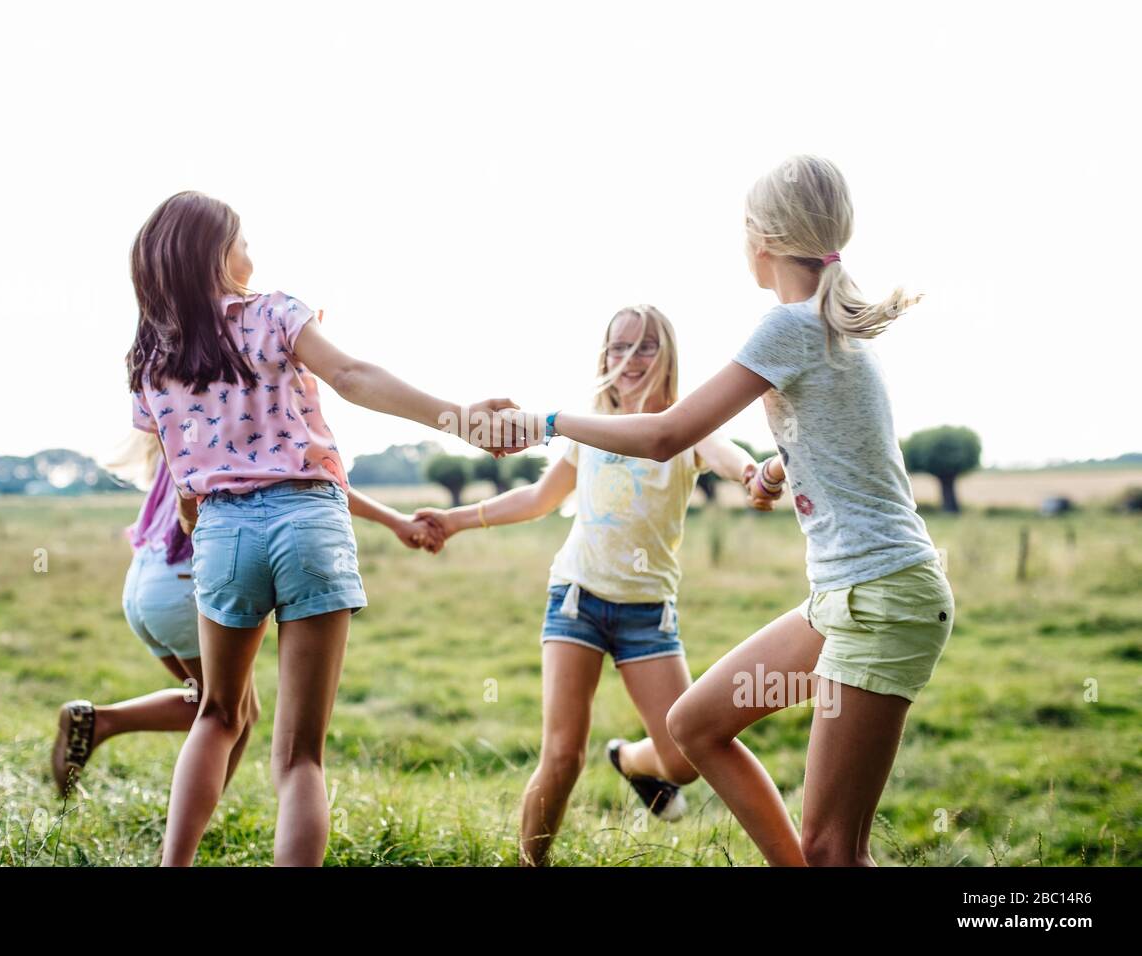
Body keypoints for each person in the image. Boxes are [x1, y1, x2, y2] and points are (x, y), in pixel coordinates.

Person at [505, 156, 954, 866]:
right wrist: (778, 466)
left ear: (761, 240)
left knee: (837, 849)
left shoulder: (789, 326)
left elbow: (664, 435)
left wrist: (552, 418)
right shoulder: (828, 328)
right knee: (695, 723)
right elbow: (845, 441)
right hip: (847, 596)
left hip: (882, 594)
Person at [127, 190, 519, 866]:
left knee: (217, 715)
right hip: (308, 520)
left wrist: (210, 525)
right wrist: (458, 418)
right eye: (242, 238)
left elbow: (179, 474)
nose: (252, 252)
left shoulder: (149, 361)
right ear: (216, 252)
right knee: (299, 757)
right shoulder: (276, 310)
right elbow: (351, 375)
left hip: (219, 536)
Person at [415, 305, 769, 866]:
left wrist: (751, 474)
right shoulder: (589, 429)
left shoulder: (686, 427)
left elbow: (728, 456)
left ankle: (630, 760)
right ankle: (531, 863)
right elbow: (537, 499)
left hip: (648, 615)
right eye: (618, 347)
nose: (629, 359)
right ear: (603, 356)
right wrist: (456, 521)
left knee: (681, 761)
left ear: (668, 355)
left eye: (646, 347)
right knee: (562, 755)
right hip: (576, 600)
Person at [50, 433, 445, 798]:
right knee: (226, 716)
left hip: (145, 581)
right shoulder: (246, 419)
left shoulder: (185, 420)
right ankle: (177, 842)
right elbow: (316, 478)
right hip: (185, 579)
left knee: (216, 706)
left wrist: (395, 521)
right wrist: (395, 521)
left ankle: (100, 722)